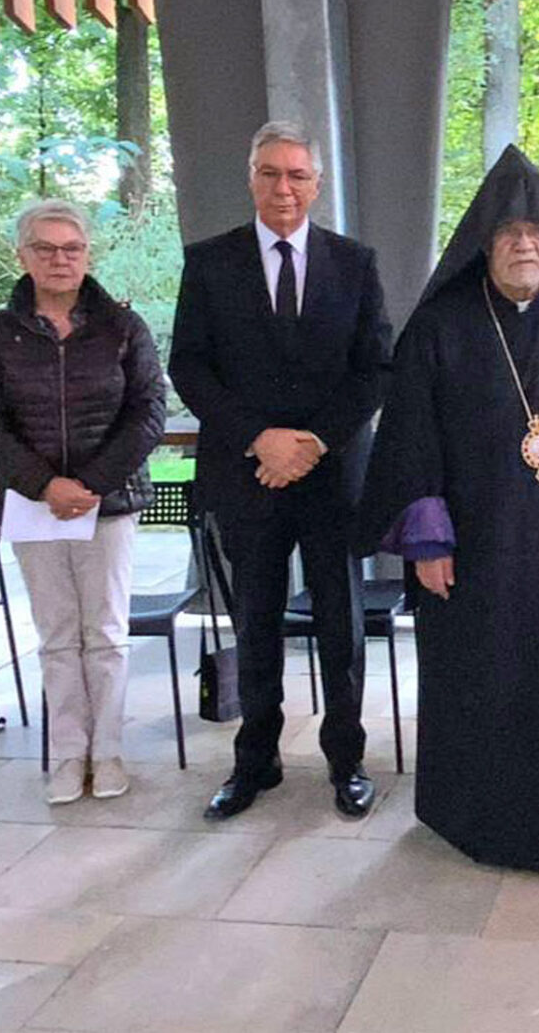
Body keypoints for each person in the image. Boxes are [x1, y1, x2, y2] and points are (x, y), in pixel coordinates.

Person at [357, 146, 539, 872]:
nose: (524, 243)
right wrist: (426, 542)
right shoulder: (440, 328)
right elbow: (411, 438)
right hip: (481, 552)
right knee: (489, 677)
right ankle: (481, 817)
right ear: (483, 242)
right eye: (509, 231)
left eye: (538, 231)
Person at [169, 121, 393, 820]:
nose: (284, 187)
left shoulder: (354, 263)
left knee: (341, 624)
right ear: (252, 179)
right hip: (247, 474)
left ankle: (347, 761)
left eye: (298, 175)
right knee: (255, 623)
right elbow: (190, 365)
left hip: (331, 479)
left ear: (317, 184)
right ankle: (254, 762)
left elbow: (375, 370)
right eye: (271, 173)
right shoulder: (209, 262)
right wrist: (260, 439)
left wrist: (312, 444)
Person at [0, 199, 167, 806]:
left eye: (71, 248)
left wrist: (93, 483)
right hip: (33, 505)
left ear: (87, 255)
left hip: (107, 503)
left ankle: (107, 754)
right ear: (22, 256)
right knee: (56, 636)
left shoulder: (123, 328)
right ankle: (66, 755)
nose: (59, 259)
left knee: (104, 633)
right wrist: (43, 484)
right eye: (45, 249)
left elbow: (148, 413)